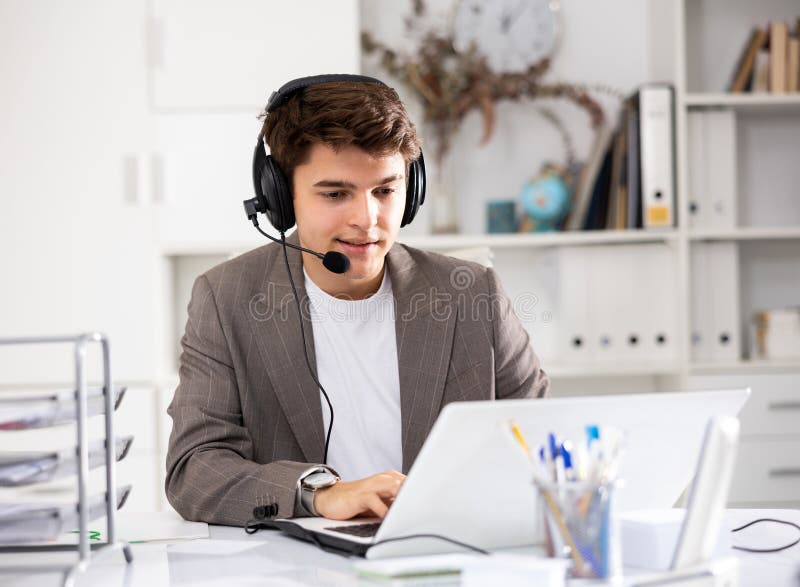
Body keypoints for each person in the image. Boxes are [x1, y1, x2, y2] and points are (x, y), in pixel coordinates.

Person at [166, 74, 549, 527]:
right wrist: (320, 494)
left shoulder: (473, 292)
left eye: (385, 191)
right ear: (282, 197)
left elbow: (543, 440)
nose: (367, 220)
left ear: (412, 191)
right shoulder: (225, 298)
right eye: (335, 193)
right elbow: (195, 469)